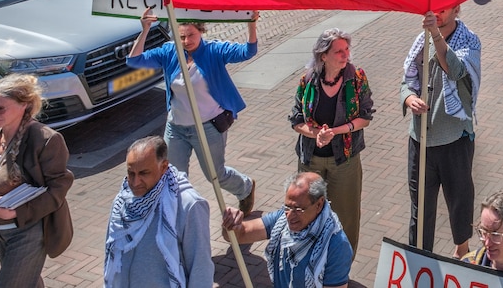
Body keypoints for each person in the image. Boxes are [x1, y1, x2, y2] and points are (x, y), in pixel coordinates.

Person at [127, 8, 259, 215]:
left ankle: (245, 187)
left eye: (191, 35)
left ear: (201, 31)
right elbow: (134, 61)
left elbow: (248, 52)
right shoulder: (169, 51)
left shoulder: (213, 50)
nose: (186, 41)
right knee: (173, 176)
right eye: (181, 37)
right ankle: (180, 217)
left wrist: (251, 25)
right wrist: (144, 30)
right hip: (176, 127)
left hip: (208, 127)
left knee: (215, 174)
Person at [0, 74, 74, 287]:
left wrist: (17, 212)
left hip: (28, 234)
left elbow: (58, 188)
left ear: (24, 106)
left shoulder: (46, 139)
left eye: (0, 109)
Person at [400, 5, 482, 256]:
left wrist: (435, 35)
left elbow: (456, 71)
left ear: (457, 10)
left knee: (459, 201)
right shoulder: (420, 40)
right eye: (434, 8)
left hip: (454, 140)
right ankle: (420, 258)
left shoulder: (470, 41)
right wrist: (408, 98)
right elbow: (407, 80)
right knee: (420, 208)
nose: (437, 13)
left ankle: (462, 251)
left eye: (444, 8)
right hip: (420, 139)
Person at [290, 28, 375, 258]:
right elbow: (296, 119)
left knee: (345, 216)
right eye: (338, 51)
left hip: (345, 159)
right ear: (323, 55)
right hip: (310, 160)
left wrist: (335, 132)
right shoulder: (307, 79)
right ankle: (308, 263)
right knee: (306, 213)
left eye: (346, 49)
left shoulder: (356, 78)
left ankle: (341, 267)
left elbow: (366, 116)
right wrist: (316, 134)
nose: (345, 55)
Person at [104, 136, 212, 288]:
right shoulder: (122, 201)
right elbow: (110, 254)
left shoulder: (188, 205)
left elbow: (201, 268)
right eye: (131, 173)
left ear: (164, 167)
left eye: (144, 173)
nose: (135, 182)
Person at [221, 172, 352, 288]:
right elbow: (240, 235)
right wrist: (232, 224)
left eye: (298, 209)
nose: (290, 216)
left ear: (319, 204)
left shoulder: (337, 246)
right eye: (287, 207)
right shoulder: (281, 219)